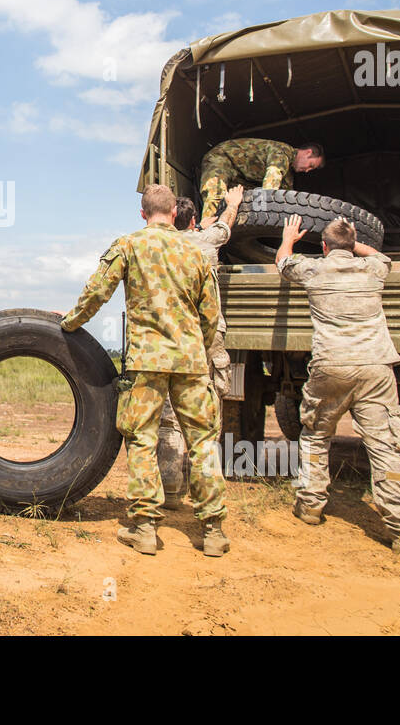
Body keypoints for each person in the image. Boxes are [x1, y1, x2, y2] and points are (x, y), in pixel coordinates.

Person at [60, 184, 227, 557]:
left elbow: (97, 293)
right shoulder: (196, 251)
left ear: (142, 214)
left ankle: (145, 528)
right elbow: (211, 316)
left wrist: (69, 323)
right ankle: (213, 531)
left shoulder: (129, 245)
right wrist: (194, 347)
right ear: (173, 212)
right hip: (191, 363)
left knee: (142, 440)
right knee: (202, 443)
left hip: (146, 362)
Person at [277, 214, 400, 552]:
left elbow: (282, 262)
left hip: (331, 366)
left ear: (323, 247)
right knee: (385, 447)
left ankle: (310, 505)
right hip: (375, 368)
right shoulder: (373, 270)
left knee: (315, 435)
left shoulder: (314, 269)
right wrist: (352, 242)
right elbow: (381, 257)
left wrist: (289, 237)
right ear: (351, 246)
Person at [158, 185, 242, 507]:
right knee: (207, 413)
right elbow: (225, 226)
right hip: (207, 337)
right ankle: (202, 487)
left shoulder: (158, 245)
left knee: (170, 416)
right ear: (192, 221)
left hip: (171, 338)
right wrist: (231, 204)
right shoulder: (207, 241)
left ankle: (169, 488)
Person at [199, 138, 324, 223]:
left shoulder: (288, 176)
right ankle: (205, 237)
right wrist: (260, 215)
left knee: (243, 202)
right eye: (311, 165)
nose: (307, 170)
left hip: (238, 177)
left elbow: (285, 201)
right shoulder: (283, 151)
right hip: (222, 158)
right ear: (308, 152)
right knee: (215, 195)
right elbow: (272, 177)